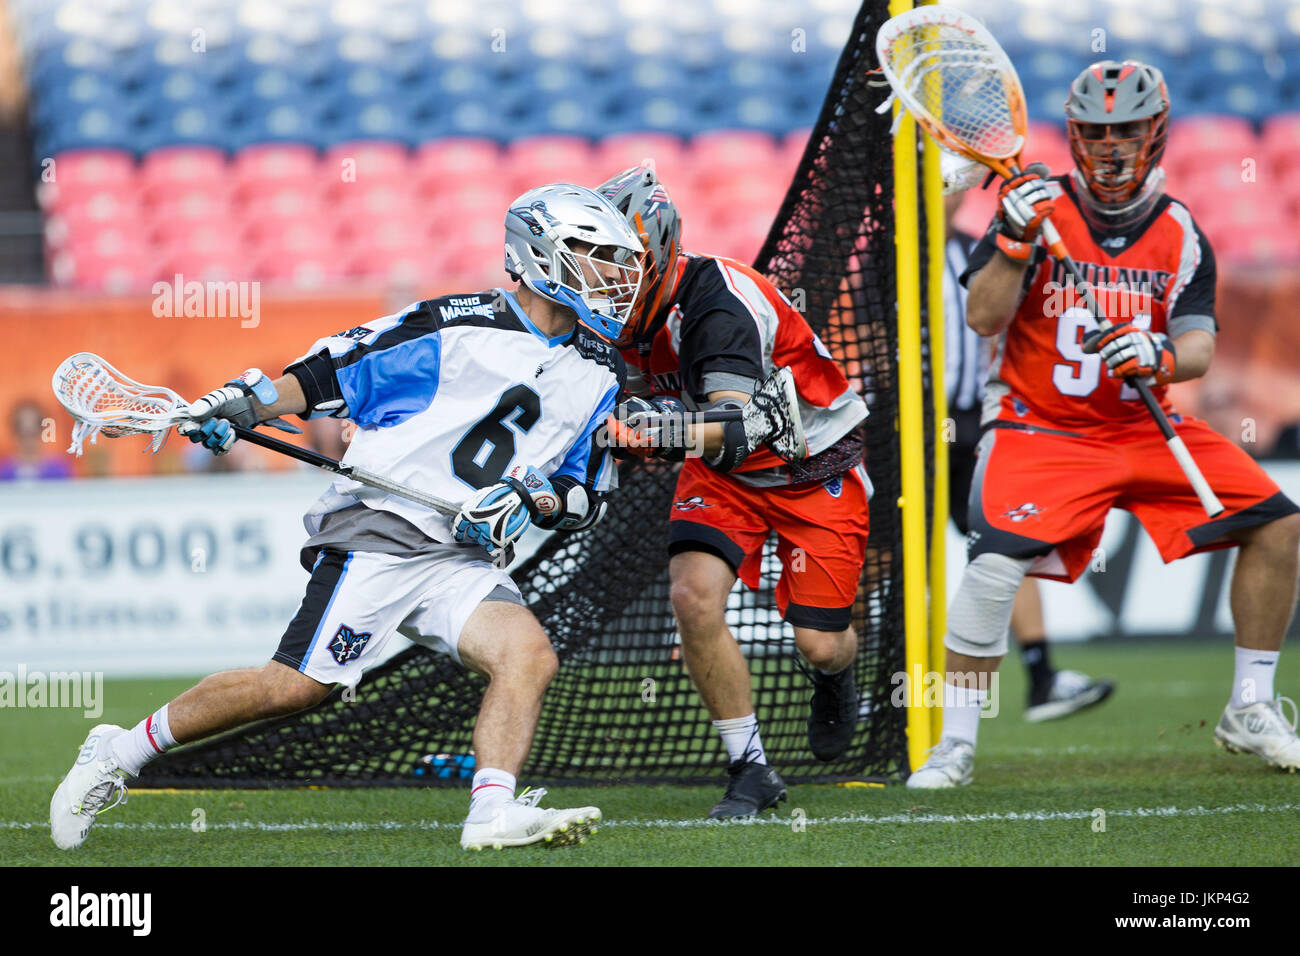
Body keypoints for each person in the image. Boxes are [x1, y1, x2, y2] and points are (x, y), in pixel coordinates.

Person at [50, 183, 641, 850]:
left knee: (527, 654)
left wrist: (532, 500)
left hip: (461, 557)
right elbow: (338, 367)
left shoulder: (601, 374)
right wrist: (249, 408)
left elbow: (586, 498)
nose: (609, 275)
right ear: (540, 255)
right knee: (294, 689)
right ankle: (118, 752)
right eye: (591, 254)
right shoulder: (457, 324)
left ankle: (490, 815)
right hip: (382, 530)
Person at [908, 60, 1300, 788]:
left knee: (1278, 525)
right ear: (1075, 134)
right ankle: (954, 744)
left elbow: (1200, 349)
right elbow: (983, 315)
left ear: (1155, 134)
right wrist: (1019, 239)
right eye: (1095, 131)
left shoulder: (1180, 230)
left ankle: (1248, 704)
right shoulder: (1033, 205)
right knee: (993, 569)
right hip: (1040, 426)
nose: (1111, 145)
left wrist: (1157, 352)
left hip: (1141, 428)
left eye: (1126, 130)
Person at [597, 164, 872, 818]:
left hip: (810, 468)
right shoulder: (603, 313)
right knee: (692, 597)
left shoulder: (716, 303)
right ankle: (749, 766)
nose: (607, 279)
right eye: (597, 262)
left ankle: (835, 675)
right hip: (721, 474)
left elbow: (732, 426)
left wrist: (648, 433)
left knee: (819, 644)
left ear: (657, 249)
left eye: (619, 261)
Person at [940, 181, 1115, 721]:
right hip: (901, 423)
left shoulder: (972, 250)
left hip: (969, 420)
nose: (941, 197)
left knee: (1005, 544)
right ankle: (873, 685)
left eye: (947, 186)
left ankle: (1041, 677)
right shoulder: (879, 263)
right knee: (882, 555)